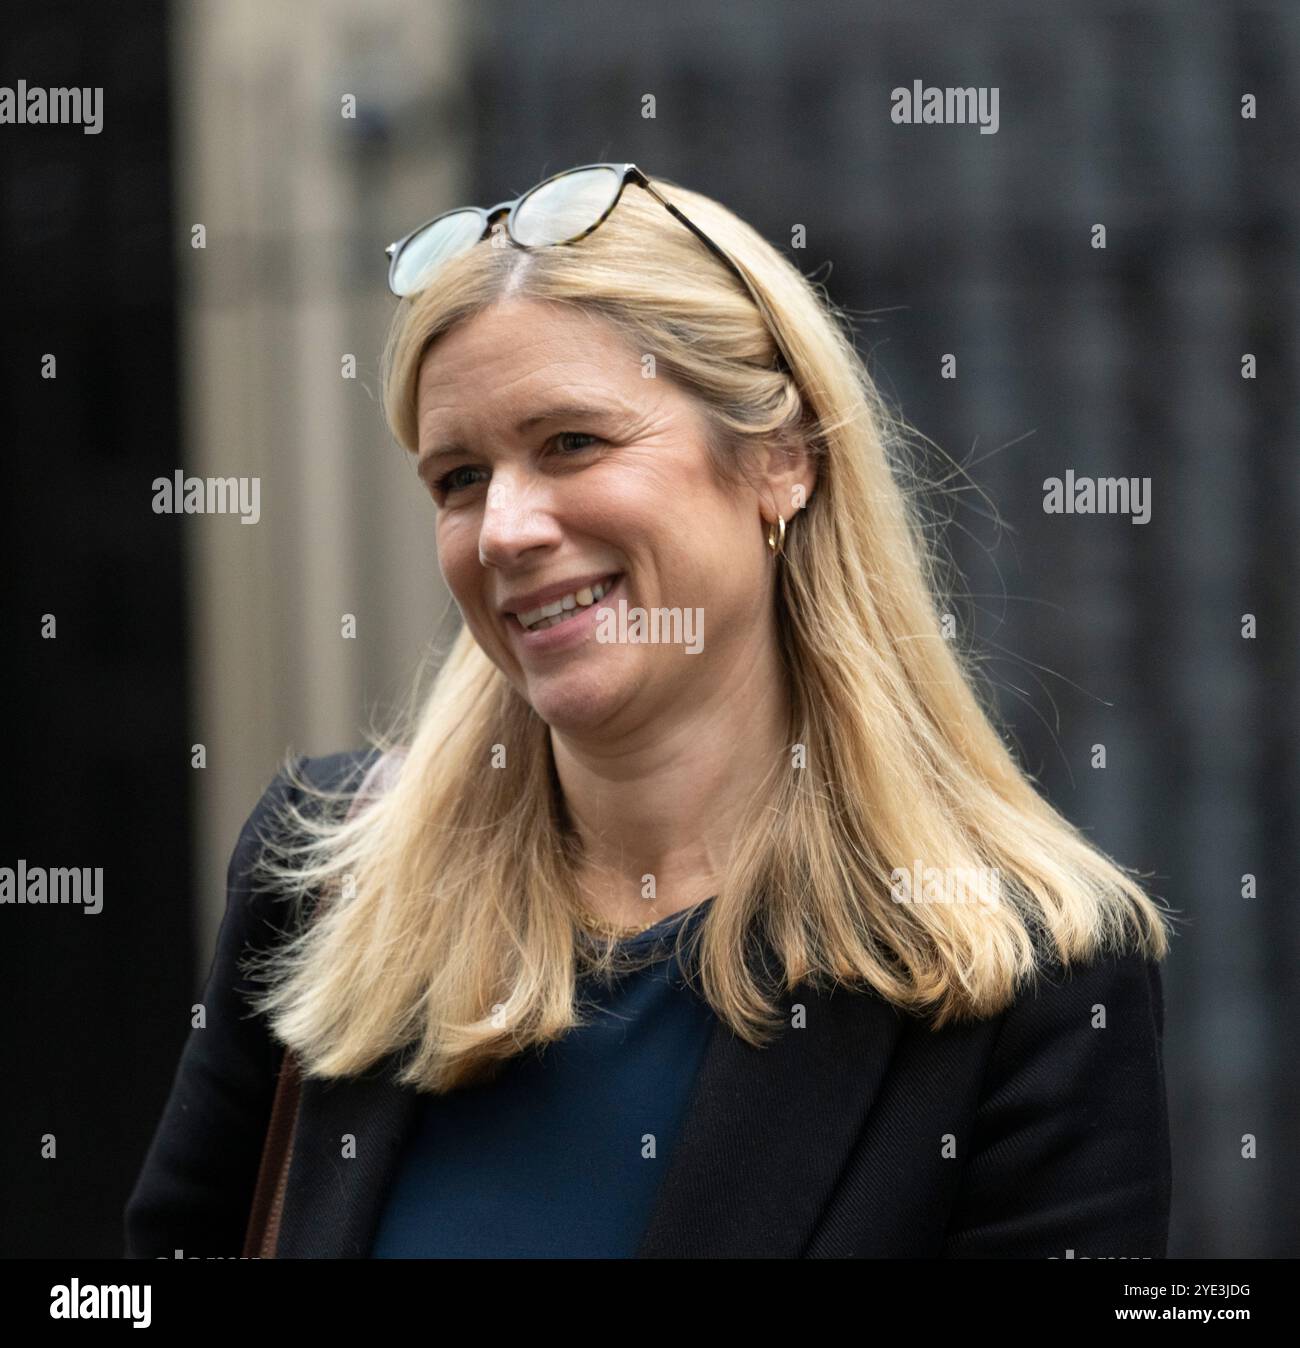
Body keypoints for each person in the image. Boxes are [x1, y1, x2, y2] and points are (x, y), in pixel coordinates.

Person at [125, 163, 1172, 1259]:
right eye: (459, 478)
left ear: (780, 459)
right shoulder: (326, 875)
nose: (505, 530)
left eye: (571, 442)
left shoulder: (1029, 981)